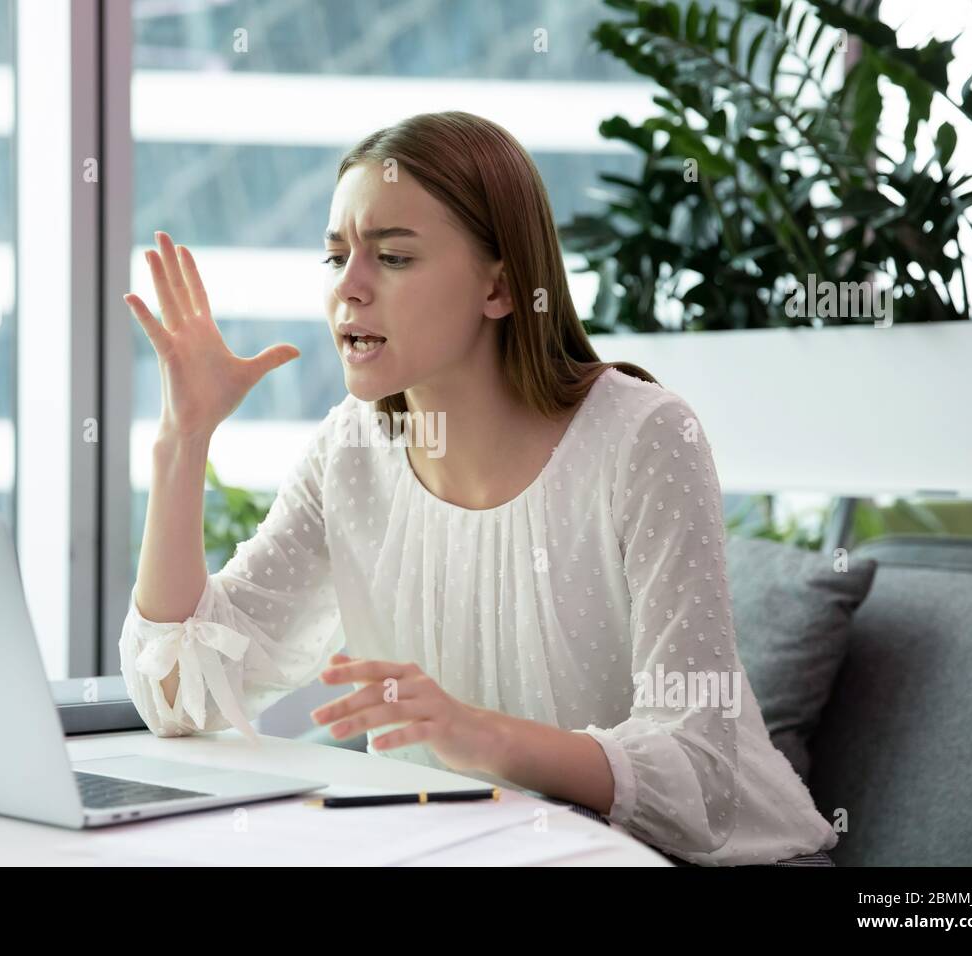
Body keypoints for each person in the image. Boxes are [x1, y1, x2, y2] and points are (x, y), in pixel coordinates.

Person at [118, 111, 837, 866]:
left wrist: (476, 734)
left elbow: (696, 773)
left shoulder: (643, 436)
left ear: (500, 287)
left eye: (392, 258)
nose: (350, 289)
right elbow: (180, 698)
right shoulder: (352, 449)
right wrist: (183, 439)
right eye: (336, 258)